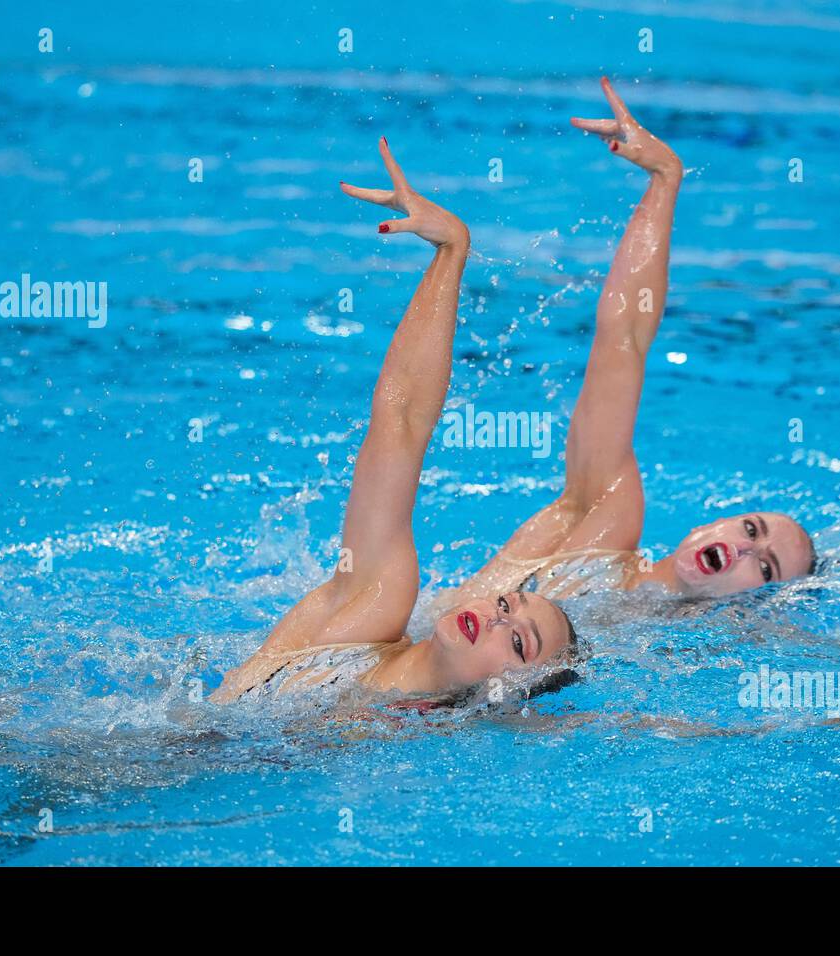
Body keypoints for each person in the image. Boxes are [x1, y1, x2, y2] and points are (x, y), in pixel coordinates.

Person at [210, 138, 576, 704]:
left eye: (520, 645)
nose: (499, 620)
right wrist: (453, 251)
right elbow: (399, 418)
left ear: (513, 688)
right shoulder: (369, 606)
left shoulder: (453, 743)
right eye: (506, 604)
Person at [444, 77, 815, 608]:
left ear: (758, 603)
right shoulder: (601, 523)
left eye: (765, 567)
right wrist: (666, 179)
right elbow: (623, 340)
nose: (742, 550)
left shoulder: (690, 656)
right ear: (713, 522)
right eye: (750, 530)